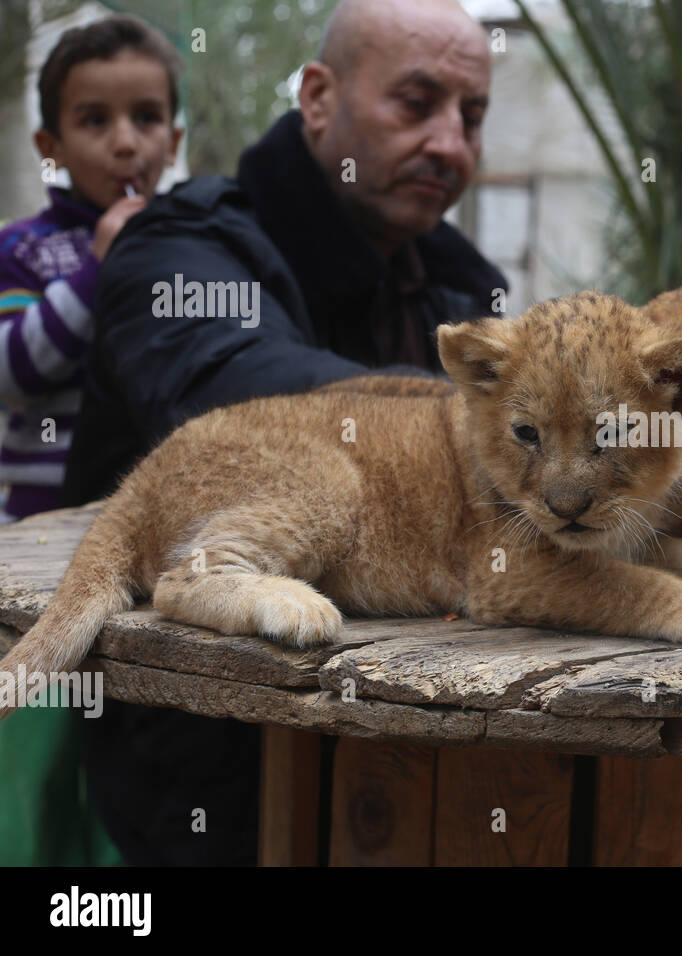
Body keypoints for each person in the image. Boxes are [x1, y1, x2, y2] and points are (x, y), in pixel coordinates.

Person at [56, 0, 506, 865]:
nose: (452, 143)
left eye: (472, 115)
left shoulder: (460, 281)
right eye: (417, 103)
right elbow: (235, 393)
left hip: (433, 760)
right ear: (317, 99)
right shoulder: (176, 248)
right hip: (212, 772)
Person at [0, 13, 184, 866]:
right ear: (48, 141)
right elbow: (15, 371)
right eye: (94, 120)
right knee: (37, 761)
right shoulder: (26, 255)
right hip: (33, 565)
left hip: (141, 564)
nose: (125, 143)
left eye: (146, 118)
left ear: (174, 138)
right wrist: (95, 271)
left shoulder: (188, 253)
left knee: (127, 766)